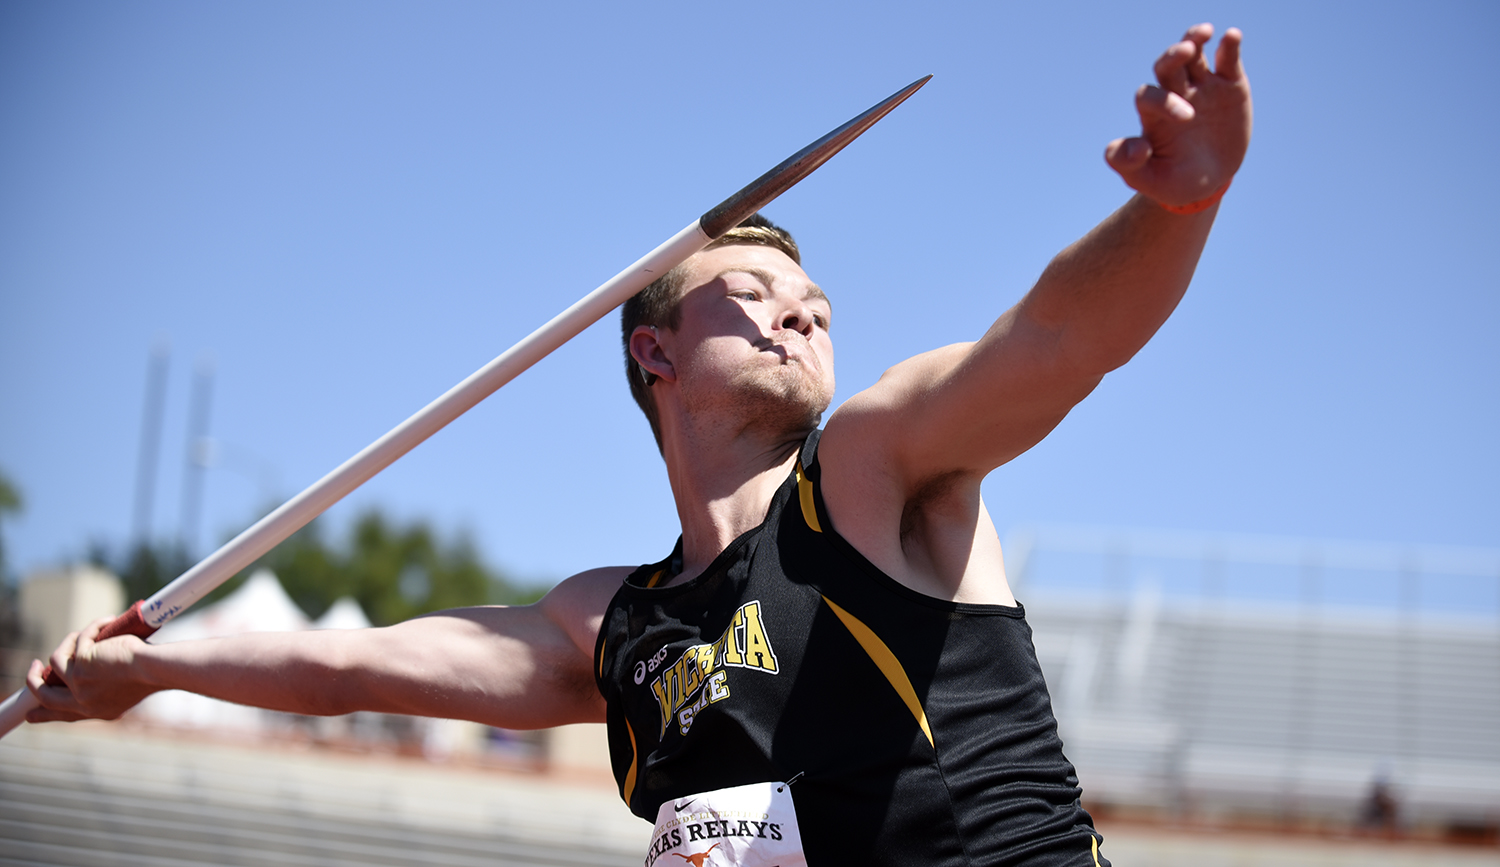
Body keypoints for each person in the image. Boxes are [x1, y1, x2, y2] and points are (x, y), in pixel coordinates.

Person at [27, 23, 1251, 867]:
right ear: (653, 352)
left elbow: (1055, 342)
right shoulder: (610, 627)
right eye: (751, 292)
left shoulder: (874, 474)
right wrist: (154, 670)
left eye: (816, 301)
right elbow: (348, 670)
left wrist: (1177, 208)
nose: (801, 313)